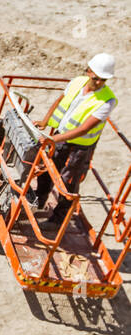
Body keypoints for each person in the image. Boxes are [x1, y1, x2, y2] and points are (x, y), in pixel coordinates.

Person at [36, 54, 118, 226]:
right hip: (59, 137)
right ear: (88, 71)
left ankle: (58, 220)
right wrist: (45, 121)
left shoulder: (107, 101)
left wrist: (52, 139)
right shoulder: (76, 82)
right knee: (46, 170)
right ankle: (38, 202)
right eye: (95, 78)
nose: (98, 83)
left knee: (68, 183)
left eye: (103, 80)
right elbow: (60, 101)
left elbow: (84, 129)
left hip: (80, 147)